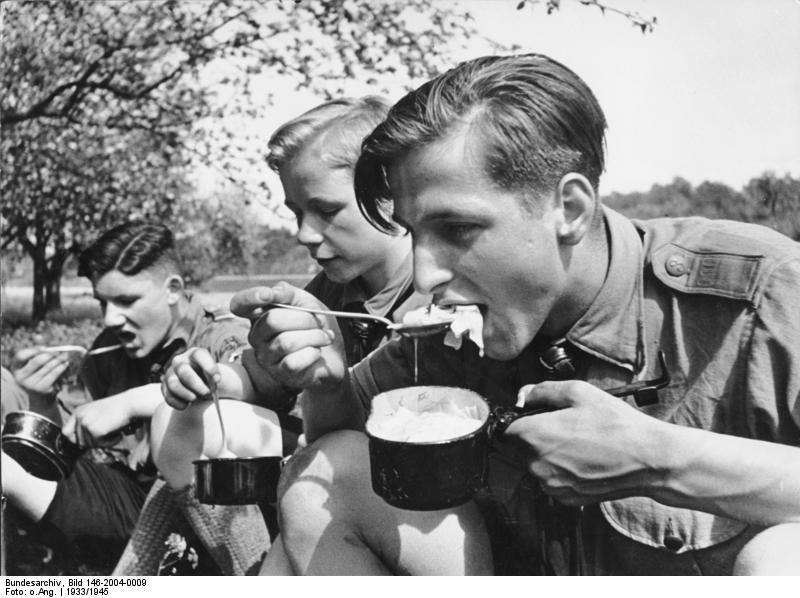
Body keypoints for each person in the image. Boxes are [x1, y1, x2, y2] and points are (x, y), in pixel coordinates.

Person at [228, 54, 800, 575]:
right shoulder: (442, 335)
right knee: (327, 470)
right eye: (413, 234)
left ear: (568, 209)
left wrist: (659, 461)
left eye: (456, 230)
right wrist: (325, 384)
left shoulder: (762, 294)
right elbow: (345, 473)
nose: (425, 276)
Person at [142, 96, 430, 574]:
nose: (304, 234)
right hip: (327, 459)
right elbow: (260, 375)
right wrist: (204, 375)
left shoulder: (431, 296)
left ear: (389, 195)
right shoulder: (330, 289)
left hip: (402, 491)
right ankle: (249, 564)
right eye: (297, 212)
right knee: (176, 421)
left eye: (325, 209)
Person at [1, 222, 257, 573]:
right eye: (102, 302)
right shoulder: (110, 347)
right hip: (126, 503)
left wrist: (134, 403)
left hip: (202, 514)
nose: (111, 318)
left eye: (125, 301)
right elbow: (70, 444)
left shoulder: (224, 337)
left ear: (173, 289)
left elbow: (255, 428)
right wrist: (41, 398)